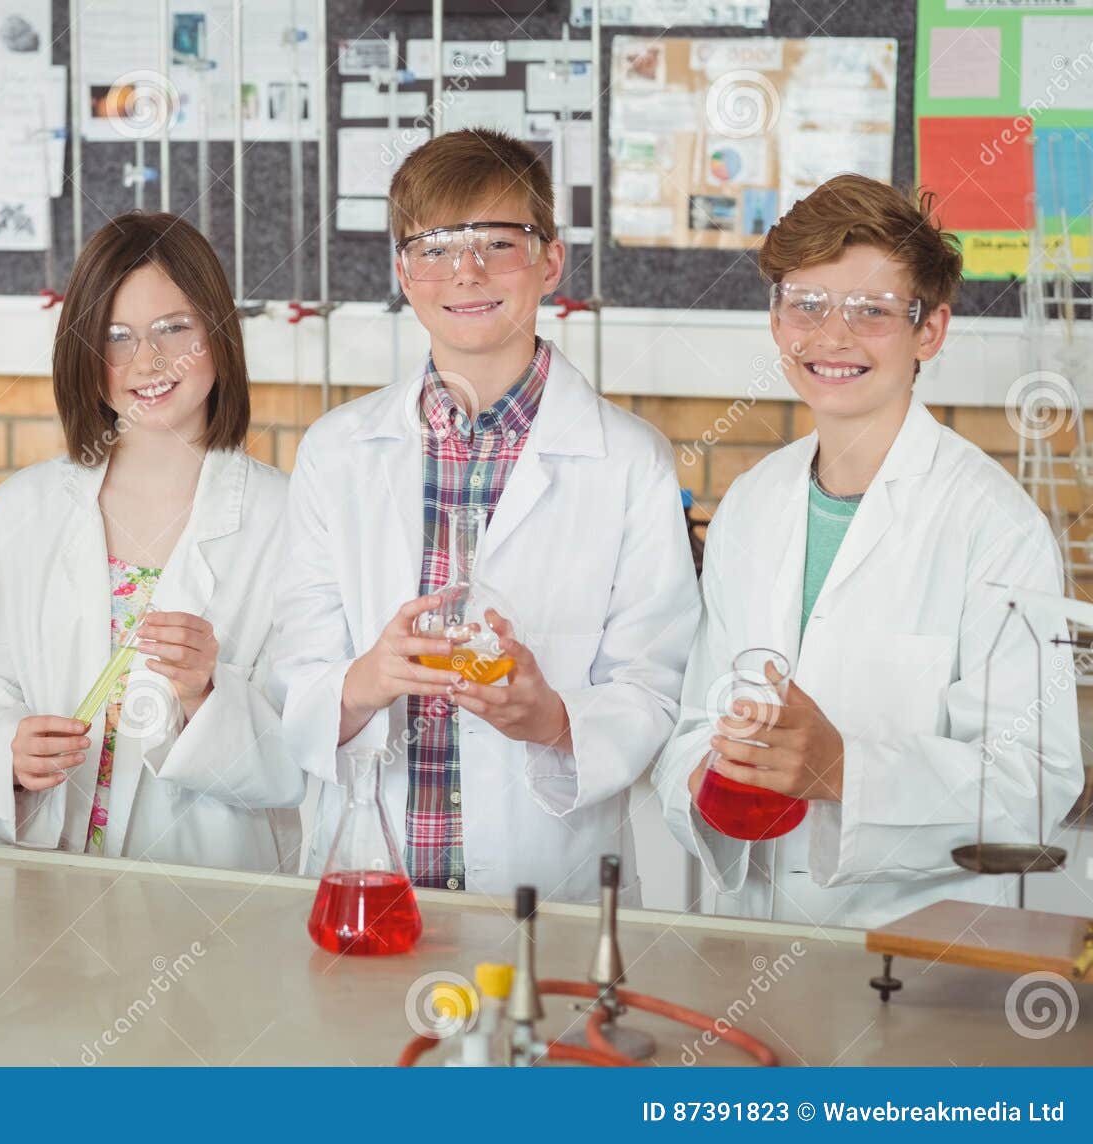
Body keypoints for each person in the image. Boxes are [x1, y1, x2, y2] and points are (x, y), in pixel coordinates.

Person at [273, 130, 700, 900]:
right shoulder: (336, 452)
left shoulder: (631, 460)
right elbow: (296, 677)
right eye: (435, 248)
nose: (466, 271)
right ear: (403, 272)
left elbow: (654, 684)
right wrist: (369, 678)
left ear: (551, 261)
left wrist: (551, 719)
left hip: (551, 884)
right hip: (372, 876)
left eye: (499, 243)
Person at [651, 174, 1082, 929]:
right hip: (749, 928)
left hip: (917, 946)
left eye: (872, 310)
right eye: (806, 303)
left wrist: (844, 771)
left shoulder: (996, 527)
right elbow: (695, 721)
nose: (832, 336)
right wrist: (708, 773)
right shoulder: (751, 502)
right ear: (776, 319)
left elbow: (1035, 784)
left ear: (930, 331)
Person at [0, 212, 303, 871]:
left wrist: (207, 695)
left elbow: (305, 752)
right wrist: (5, 752)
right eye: (116, 336)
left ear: (218, 332)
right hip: (44, 879)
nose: (148, 361)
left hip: (208, 890)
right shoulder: (27, 507)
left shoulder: (284, 517)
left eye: (174, 327)